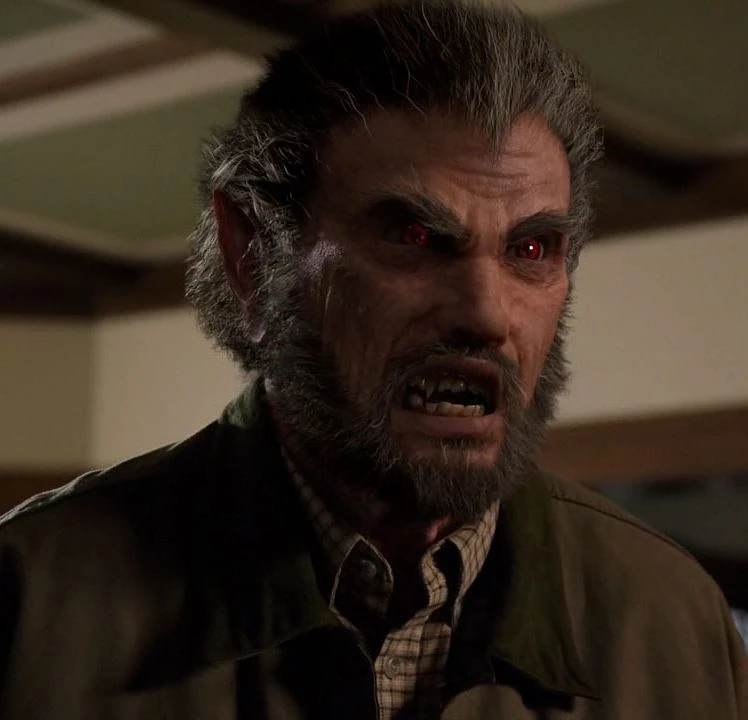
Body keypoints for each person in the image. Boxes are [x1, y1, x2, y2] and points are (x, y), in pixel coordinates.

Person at [1, 1, 746, 718]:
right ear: (252, 256)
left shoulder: (671, 620)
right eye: (412, 238)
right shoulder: (29, 607)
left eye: (529, 249)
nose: (486, 314)